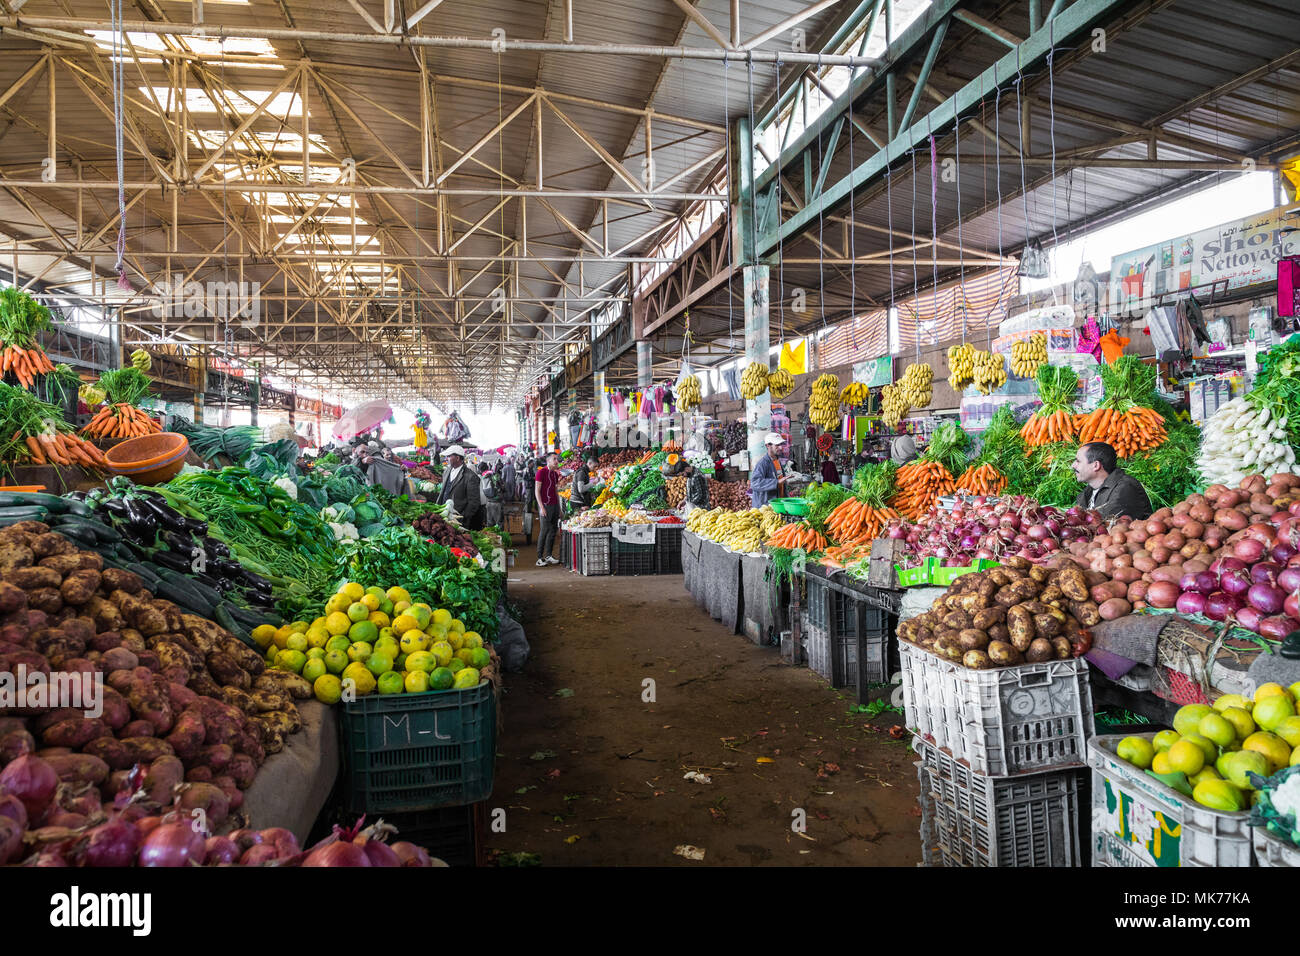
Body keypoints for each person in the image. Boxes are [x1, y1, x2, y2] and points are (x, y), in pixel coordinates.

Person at [1073, 442, 1153, 520]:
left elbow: (1105, 524)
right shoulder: (1088, 491)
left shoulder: (1126, 487)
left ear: (1096, 465)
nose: (1073, 465)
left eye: (1078, 461)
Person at [436, 445, 483, 530]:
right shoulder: (447, 471)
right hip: (444, 516)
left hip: (457, 520)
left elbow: (474, 502)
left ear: (457, 458)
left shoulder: (470, 476)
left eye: (449, 456)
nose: (447, 458)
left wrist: (463, 518)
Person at [535, 452, 562, 566]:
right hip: (545, 505)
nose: (557, 461)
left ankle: (549, 555)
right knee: (544, 531)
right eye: (554, 459)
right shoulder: (541, 472)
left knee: (552, 531)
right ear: (548, 461)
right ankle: (539, 558)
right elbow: (537, 491)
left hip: (554, 505)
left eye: (557, 459)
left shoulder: (555, 474)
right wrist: (541, 507)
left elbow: (555, 491)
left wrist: (559, 508)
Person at [749, 433, 787, 507]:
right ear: (768, 446)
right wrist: (776, 482)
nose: (780, 447)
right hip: (765, 508)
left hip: (778, 505)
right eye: (777, 445)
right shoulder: (762, 464)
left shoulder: (777, 461)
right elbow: (754, 483)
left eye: (781, 444)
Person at [480, 464, 504, 530]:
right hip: (497, 502)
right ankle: (500, 538)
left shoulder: (483, 477)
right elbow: (503, 487)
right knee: (498, 523)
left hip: (488, 502)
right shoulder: (495, 475)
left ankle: (492, 538)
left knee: (490, 523)